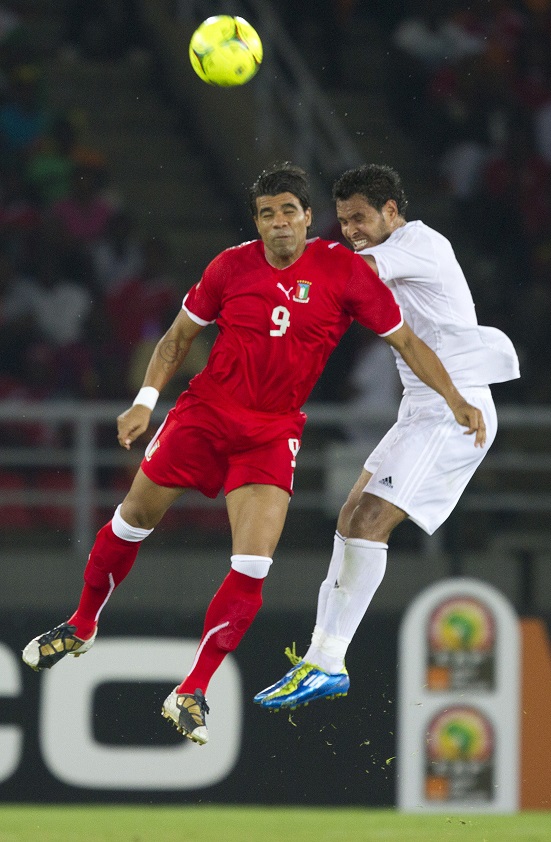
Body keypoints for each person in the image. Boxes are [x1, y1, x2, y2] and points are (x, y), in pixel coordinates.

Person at [22, 162, 486, 746]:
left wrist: (455, 398)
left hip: (272, 431)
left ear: (307, 217)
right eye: (267, 214)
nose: (279, 223)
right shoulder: (229, 266)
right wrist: (144, 401)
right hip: (204, 413)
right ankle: (83, 623)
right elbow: (176, 338)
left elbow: (408, 341)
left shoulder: (344, 270)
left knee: (253, 564)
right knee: (132, 518)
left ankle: (193, 689)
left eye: (289, 211)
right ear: (258, 222)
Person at [254, 163, 520, 711]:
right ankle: (319, 657)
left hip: (454, 406)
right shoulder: (387, 248)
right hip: (422, 406)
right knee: (351, 516)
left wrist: (278, 256)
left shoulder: (418, 244)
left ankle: (330, 662)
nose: (351, 230)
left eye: (360, 218)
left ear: (391, 211)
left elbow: (354, 273)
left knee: (370, 522)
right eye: (344, 220)